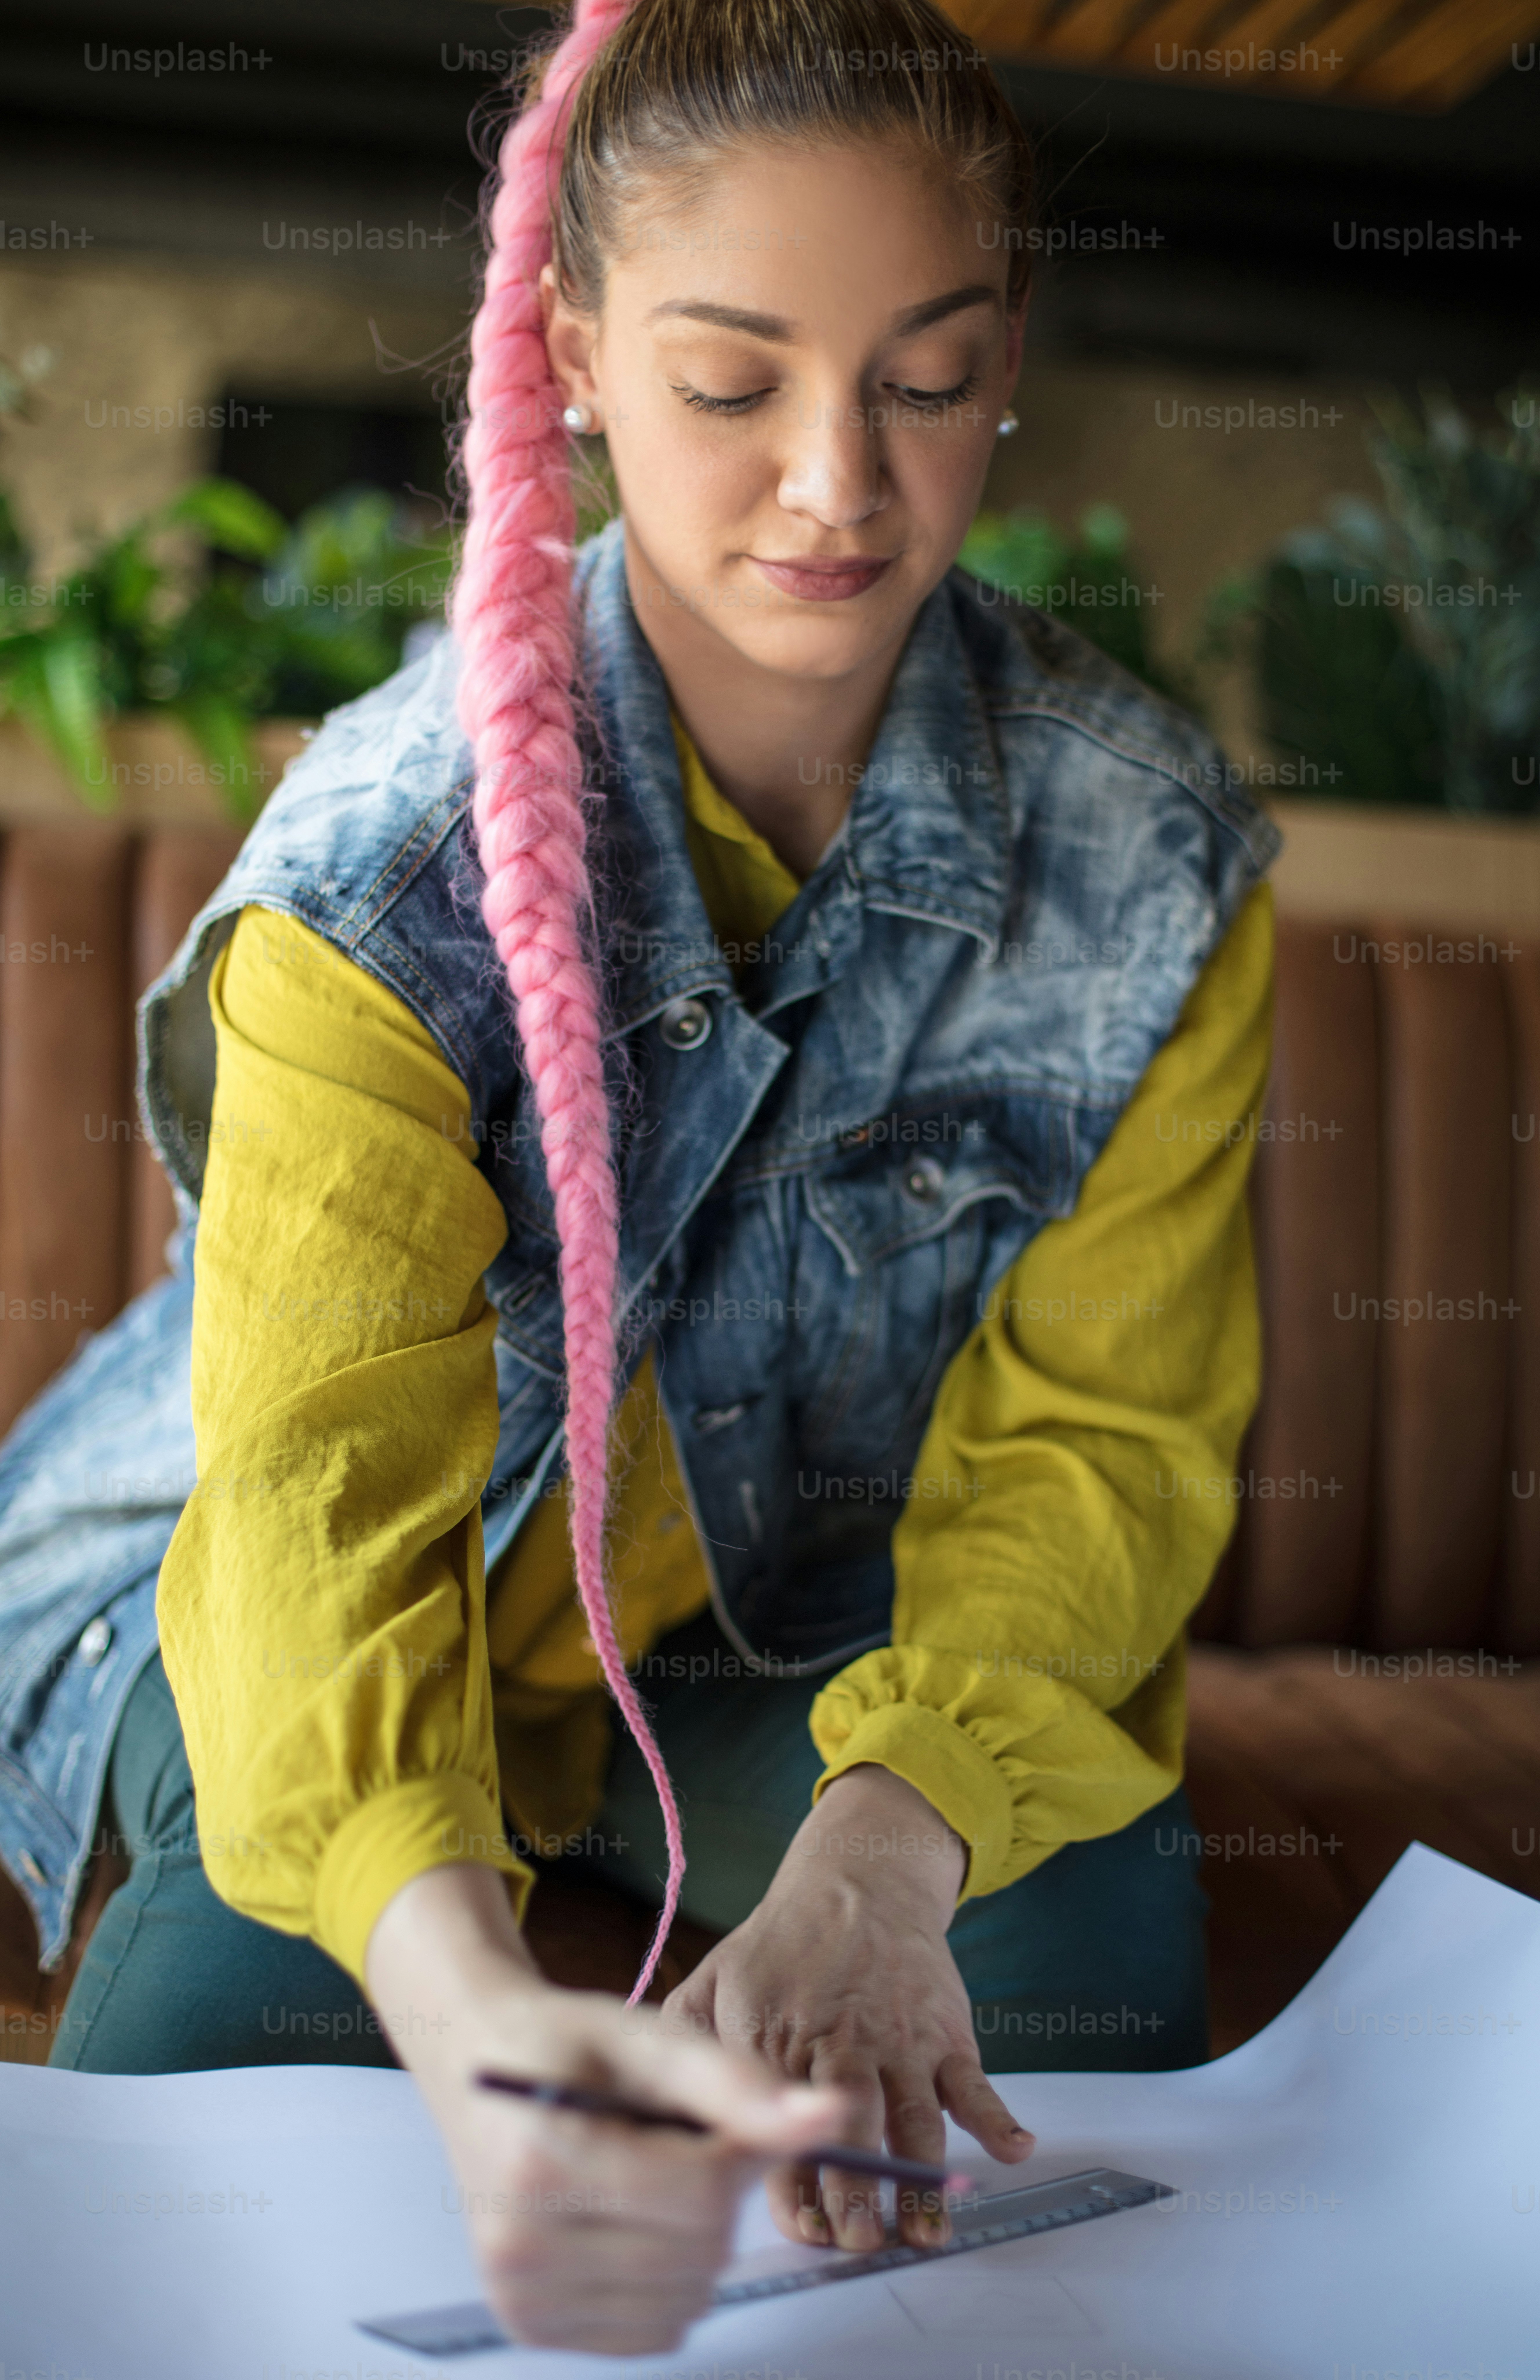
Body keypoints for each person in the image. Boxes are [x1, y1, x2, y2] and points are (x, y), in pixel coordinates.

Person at [0, 0, 1278, 2356]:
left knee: (1095, 2073)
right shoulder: (380, 885)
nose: (836, 486)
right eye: (730, 383)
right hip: (309, 1602)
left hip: (797, 1628)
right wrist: (475, 2035)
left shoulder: (1155, 870)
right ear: (574, 353)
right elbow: (303, 1517)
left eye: (923, 377)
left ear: (1007, 359)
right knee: (185, 2249)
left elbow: (1098, 1449)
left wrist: (886, 1857)